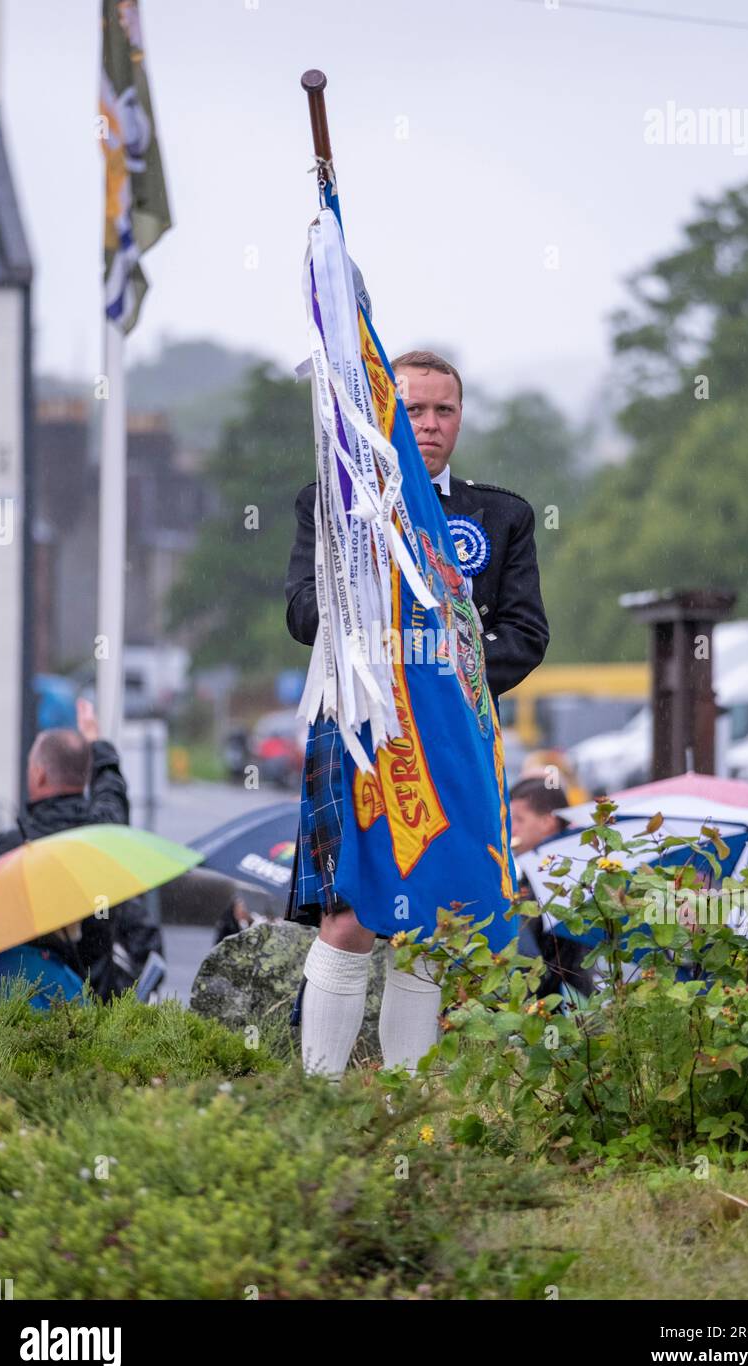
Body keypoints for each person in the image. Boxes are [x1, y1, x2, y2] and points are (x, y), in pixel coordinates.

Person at [284, 349, 550, 1078]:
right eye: (413, 409)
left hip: (455, 737)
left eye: (444, 410)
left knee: (430, 924)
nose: (428, 425)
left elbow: (525, 635)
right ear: (383, 411)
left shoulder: (500, 515)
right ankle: (318, 1104)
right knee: (349, 918)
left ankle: (407, 1118)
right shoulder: (333, 504)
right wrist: (369, 614)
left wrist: (439, 674)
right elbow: (304, 616)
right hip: (363, 733)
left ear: (460, 418)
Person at [0, 699, 164, 1015]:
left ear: (40, 775)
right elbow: (112, 791)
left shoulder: (12, 851)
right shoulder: (107, 837)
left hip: (13, 1018)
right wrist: (96, 742)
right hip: (95, 1010)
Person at [509, 777, 595, 1003]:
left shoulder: (562, 877)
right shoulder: (535, 874)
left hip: (559, 1008)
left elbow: (555, 963)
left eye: (519, 819)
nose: (511, 828)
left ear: (548, 821)